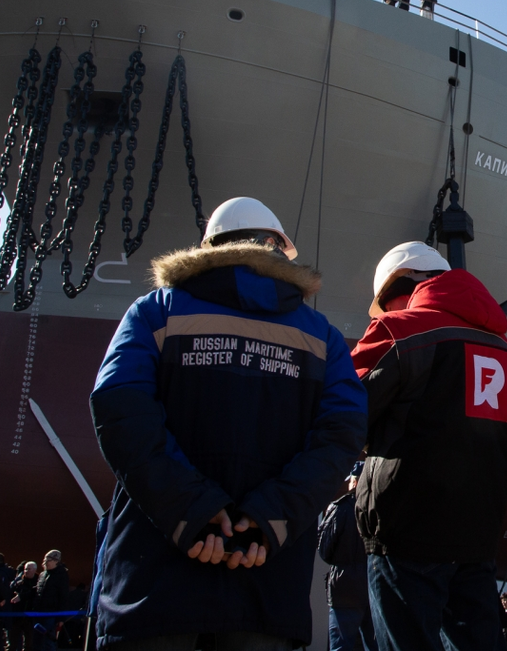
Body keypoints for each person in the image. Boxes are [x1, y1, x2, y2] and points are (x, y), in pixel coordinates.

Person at [89, 196, 368, 651]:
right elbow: (344, 435)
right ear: (277, 249)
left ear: (207, 248)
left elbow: (120, 408)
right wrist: (269, 519)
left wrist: (189, 511)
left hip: (155, 579)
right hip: (264, 584)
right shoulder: (322, 339)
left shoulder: (155, 313)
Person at [351, 241, 507, 650]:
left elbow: (344, 411)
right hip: (476, 534)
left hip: (406, 530)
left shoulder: (399, 329)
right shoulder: (503, 349)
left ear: (401, 289)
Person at [317, 462, 376, 651]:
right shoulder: (381, 508)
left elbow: (324, 550)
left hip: (344, 588)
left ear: (354, 481)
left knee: (341, 645)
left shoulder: (341, 508)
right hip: (373, 585)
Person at [35, 550, 69, 651]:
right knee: (37, 641)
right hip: (39, 612)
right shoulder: (42, 574)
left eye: (49, 560)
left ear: (56, 561)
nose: (46, 562)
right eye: (45, 560)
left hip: (51, 613)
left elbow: (63, 596)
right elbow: (37, 589)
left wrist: (61, 618)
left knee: (48, 641)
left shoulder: (61, 575)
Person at [9, 562, 40, 651]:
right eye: (25, 569)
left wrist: (22, 597)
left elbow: (34, 594)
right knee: (13, 642)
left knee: (29, 643)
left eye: (29, 569)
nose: (26, 571)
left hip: (31, 617)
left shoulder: (38, 584)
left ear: (34, 570)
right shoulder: (18, 583)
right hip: (17, 617)